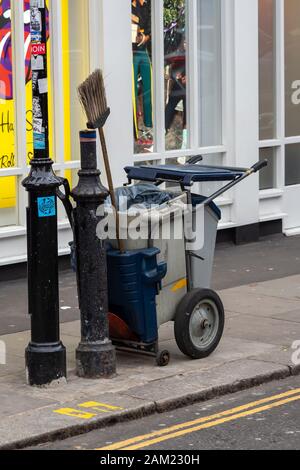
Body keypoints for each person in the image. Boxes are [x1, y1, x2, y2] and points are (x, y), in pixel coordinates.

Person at [132, 0, 153, 144]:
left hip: (142, 49)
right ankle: (134, 128)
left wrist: (146, 37)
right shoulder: (129, 6)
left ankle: (149, 124)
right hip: (131, 51)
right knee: (132, 89)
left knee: (148, 87)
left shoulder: (147, 6)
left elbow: (150, 28)